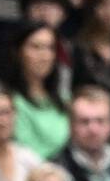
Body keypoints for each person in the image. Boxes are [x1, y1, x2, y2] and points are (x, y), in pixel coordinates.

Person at [8, 23, 70, 160]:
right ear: (18, 51)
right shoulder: (8, 100)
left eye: (50, 48)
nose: (44, 56)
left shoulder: (65, 100)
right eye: (35, 47)